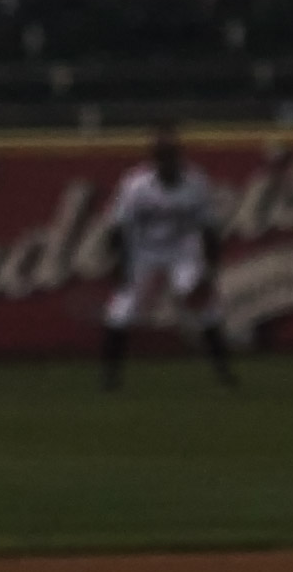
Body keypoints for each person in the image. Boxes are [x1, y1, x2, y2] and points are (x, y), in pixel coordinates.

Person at [100, 122, 238, 391]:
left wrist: (208, 272)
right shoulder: (136, 184)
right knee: (121, 311)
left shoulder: (196, 182)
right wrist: (120, 263)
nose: (166, 161)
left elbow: (209, 230)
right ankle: (110, 376)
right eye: (161, 155)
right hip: (143, 252)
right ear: (153, 158)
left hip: (182, 250)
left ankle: (224, 373)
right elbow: (117, 228)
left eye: (170, 154)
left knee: (204, 308)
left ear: (179, 156)